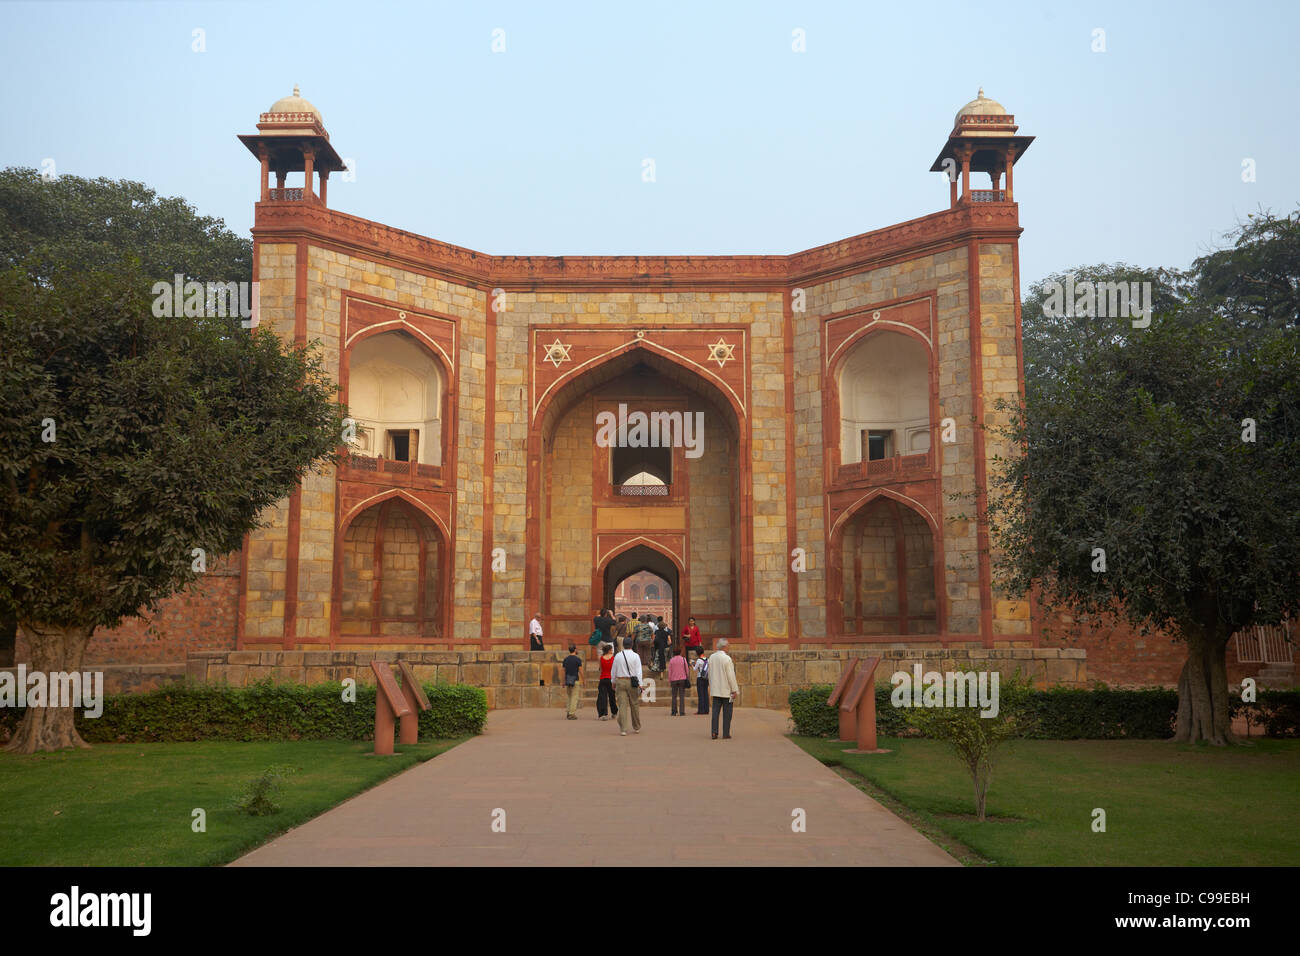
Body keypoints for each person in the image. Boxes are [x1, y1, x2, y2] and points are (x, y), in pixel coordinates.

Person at [611, 636, 643, 736]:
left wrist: (613, 681)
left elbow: (613, 670)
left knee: (622, 705)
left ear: (623, 645)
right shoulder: (636, 656)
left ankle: (623, 729)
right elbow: (639, 672)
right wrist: (640, 684)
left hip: (620, 681)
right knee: (634, 704)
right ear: (632, 645)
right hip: (632, 681)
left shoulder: (618, 656)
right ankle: (636, 726)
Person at [708, 638, 739, 739]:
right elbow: (731, 676)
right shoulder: (727, 659)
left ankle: (714, 732)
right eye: (728, 646)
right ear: (725, 647)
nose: (729, 648)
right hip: (726, 690)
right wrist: (734, 689)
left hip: (716, 689)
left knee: (715, 712)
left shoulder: (711, 657)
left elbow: (709, 673)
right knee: (727, 713)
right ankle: (726, 733)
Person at [596, 642, 619, 721]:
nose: (612, 650)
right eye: (611, 649)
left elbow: (601, 669)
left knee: (602, 697)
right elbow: (615, 670)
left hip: (603, 678)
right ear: (609, 650)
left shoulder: (601, 658)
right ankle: (614, 712)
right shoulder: (613, 658)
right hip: (611, 679)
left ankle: (603, 714)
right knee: (612, 696)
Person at [667, 646, 690, 715]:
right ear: (680, 652)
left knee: (674, 696)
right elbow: (687, 669)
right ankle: (682, 711)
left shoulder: (671, 660)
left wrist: (669, 680)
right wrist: (687, 677)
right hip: (682, 679)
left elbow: (669, 671)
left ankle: (674, 711)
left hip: (674, 679)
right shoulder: (683, 659)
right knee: (682, 696)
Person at [562, 643, 583, 719]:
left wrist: (563, 681)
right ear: (575, 650)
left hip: (568, 680)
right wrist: (584, 680)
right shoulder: (578, 659)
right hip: (575, 680)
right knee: (574, 697)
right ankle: (572, 713)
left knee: (569, 696)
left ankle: (568, 711)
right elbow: (581, 671)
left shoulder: (566, 659)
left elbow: (563, 671)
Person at [692, 649, 710, 715]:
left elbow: (694, 669)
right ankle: (706, 710)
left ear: (697, 653)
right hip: (706, 678)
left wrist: (692, 664)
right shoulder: (708, 659)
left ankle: (701, 710)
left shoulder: (699, 660)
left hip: (700, 678)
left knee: (700, 695)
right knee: (705, 694)